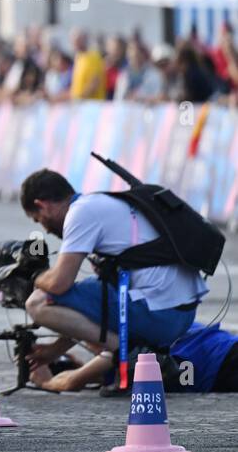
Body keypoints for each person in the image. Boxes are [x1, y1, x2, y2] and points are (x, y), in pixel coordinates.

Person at [20, 168, 207, 358]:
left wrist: (33, 275)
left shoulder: (80, 214)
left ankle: (129, 354)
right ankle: (131, 351)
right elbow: (86, 312)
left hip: (161, 316)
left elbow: (59, 284)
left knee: (38, 302)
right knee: (89, 293)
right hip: (181, 315)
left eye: (38, 219)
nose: (45, 229)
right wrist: (55, 351)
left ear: (42, 205)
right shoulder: (102, 204)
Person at [31, 321, 238, 393]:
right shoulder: (139, 321)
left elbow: (72, 383)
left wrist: (46, 382)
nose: (89, 343)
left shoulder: (122, 351)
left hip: (223, 362)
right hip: (224, 352)